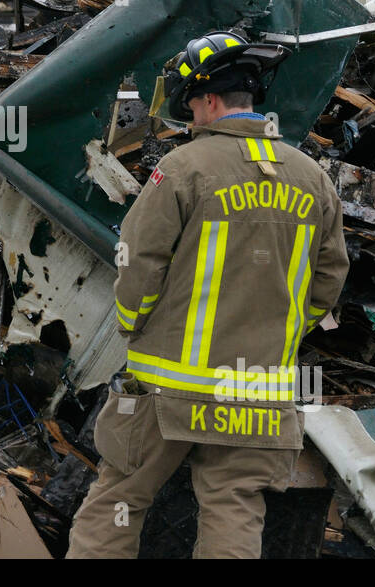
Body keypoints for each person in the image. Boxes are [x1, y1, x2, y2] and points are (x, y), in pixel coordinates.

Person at [67, 30, 349, 558]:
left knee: (119, 498)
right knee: (235, 508)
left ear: (210, 100)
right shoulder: (312, 178)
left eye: (190, 105)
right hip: (257, 394)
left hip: (165, 392)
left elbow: (138, 260)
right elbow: (330, 276)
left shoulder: (181, 170)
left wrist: (135, 322)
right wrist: (286, 332)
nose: (190, 118)